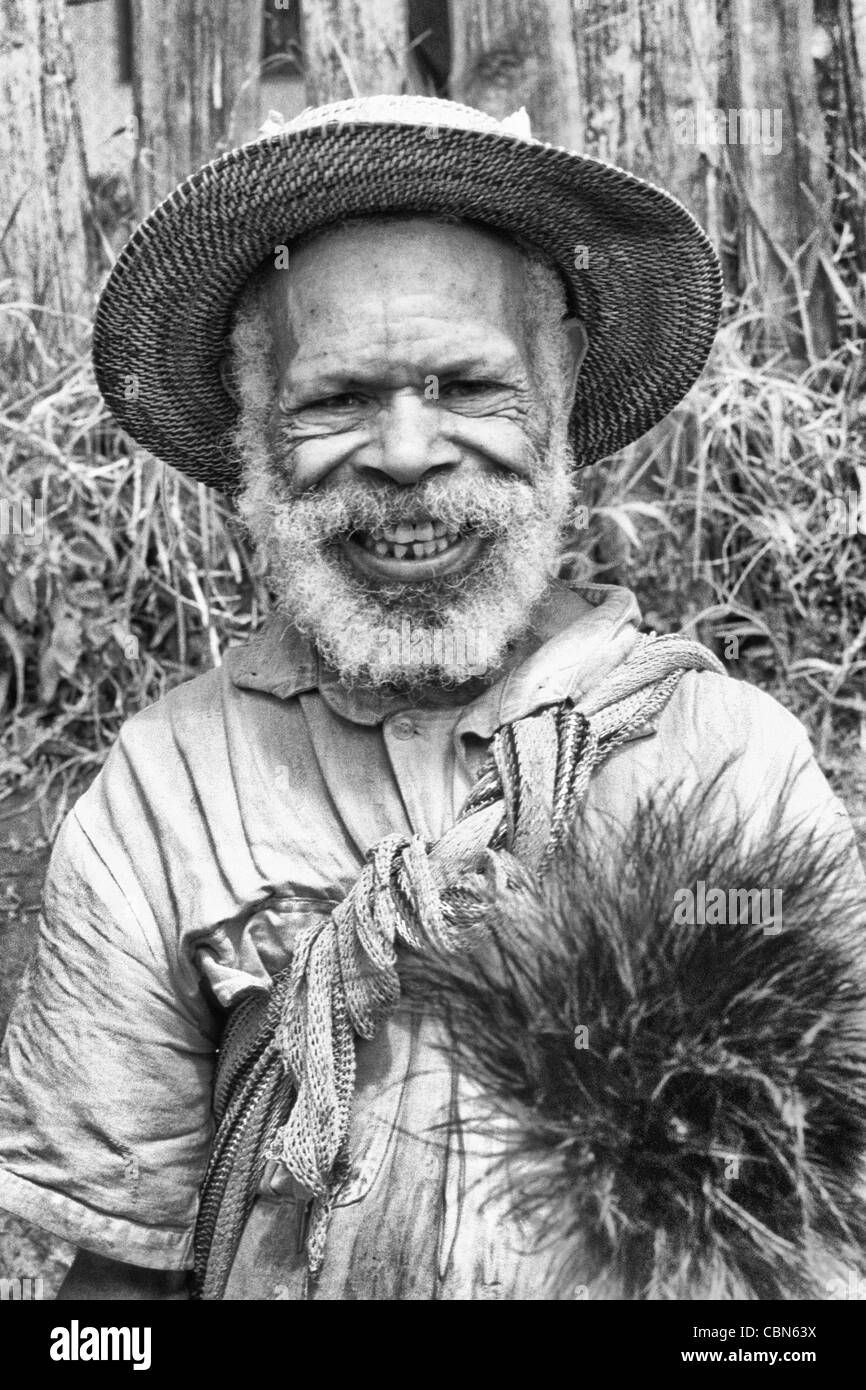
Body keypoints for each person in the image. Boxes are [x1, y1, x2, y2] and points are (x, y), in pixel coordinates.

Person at [0, 95, 863, 1301]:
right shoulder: (167, 789)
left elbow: (818, 1240)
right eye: (337, 399)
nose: (406, 453)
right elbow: (117, 1294)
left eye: (467, 385)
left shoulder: (723, 765)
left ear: (556, 404)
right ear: (257, 433)